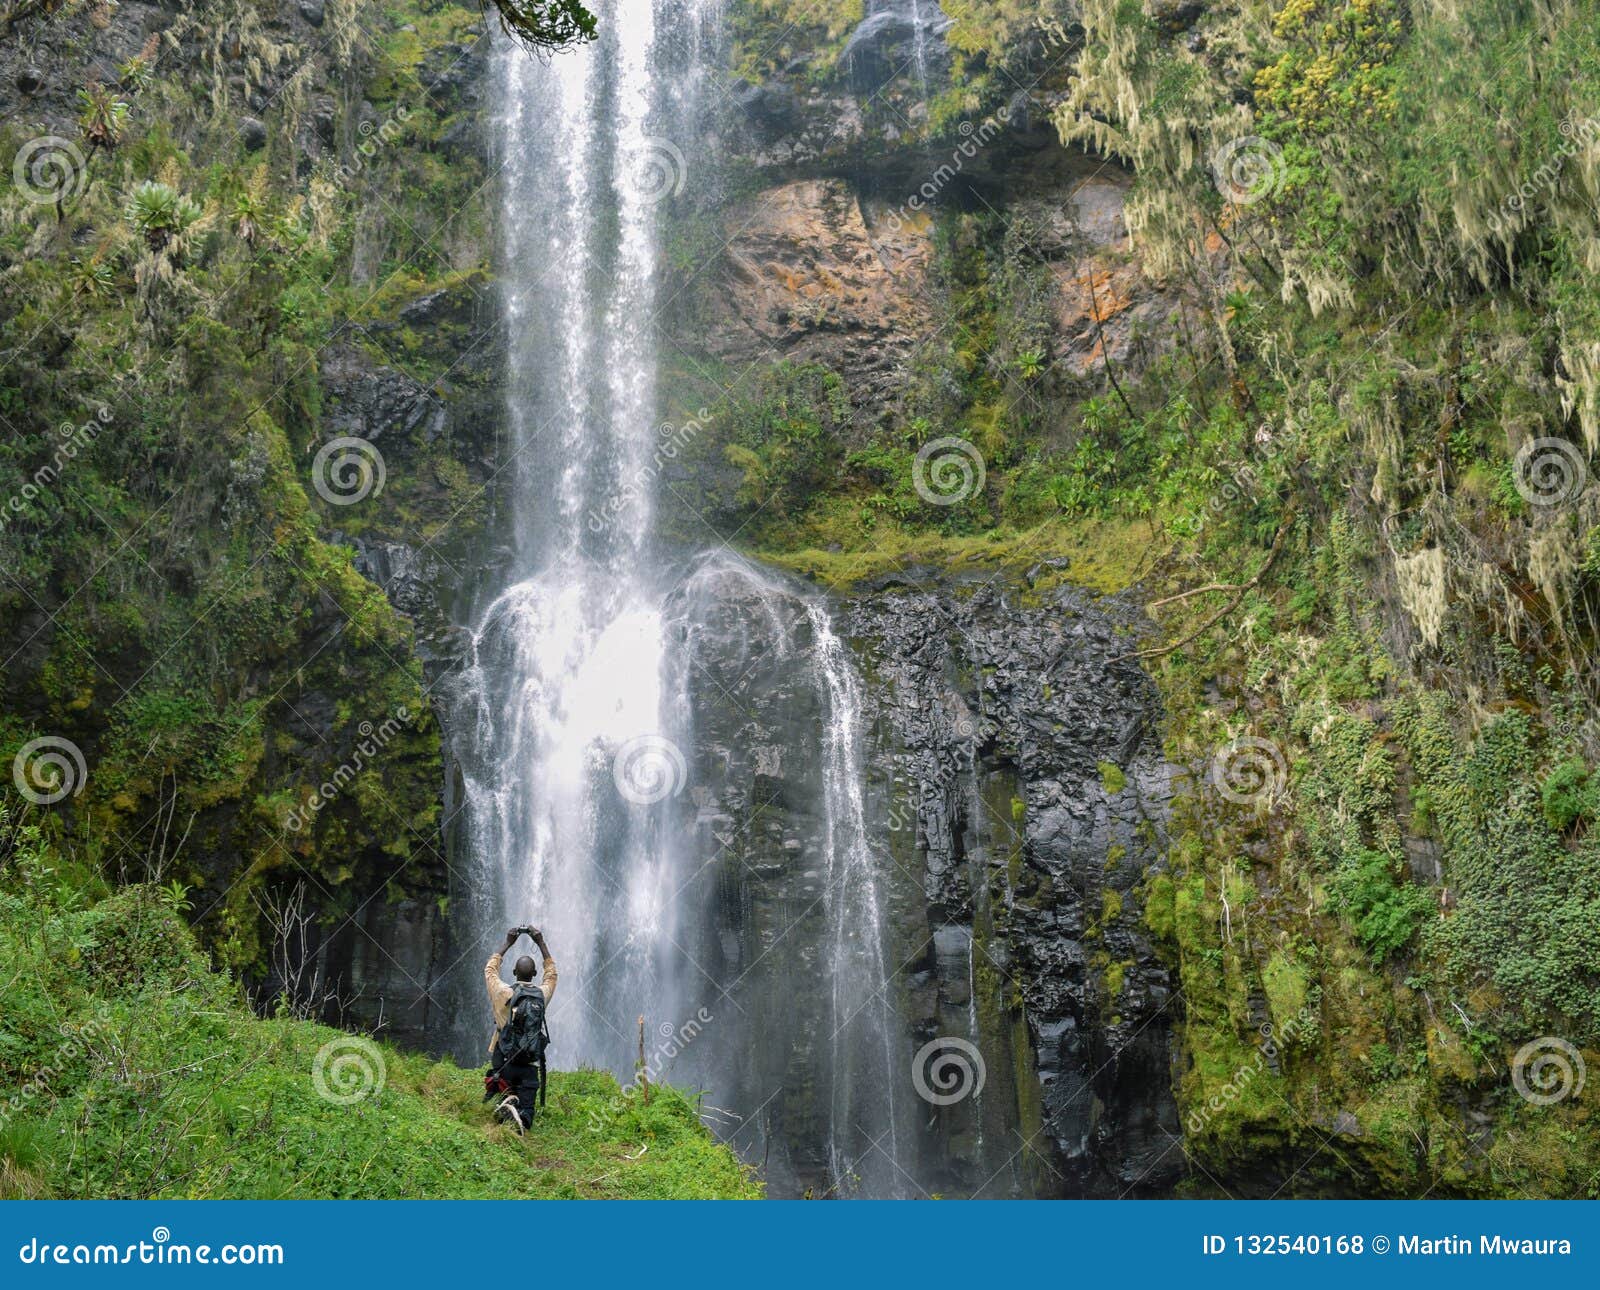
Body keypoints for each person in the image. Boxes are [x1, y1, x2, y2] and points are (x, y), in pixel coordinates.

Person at [484, 925, 557, 1132]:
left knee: (502, 1090)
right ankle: (520, 1112)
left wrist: (508, 942)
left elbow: (490, 969)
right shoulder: (541, 996)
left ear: (514, 972)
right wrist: (540, 942)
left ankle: (507, 1101)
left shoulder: (501, 992)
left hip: (503, 1059)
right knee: (527, 1115)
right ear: (535, 974)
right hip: (529, 1061)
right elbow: (551, 974)